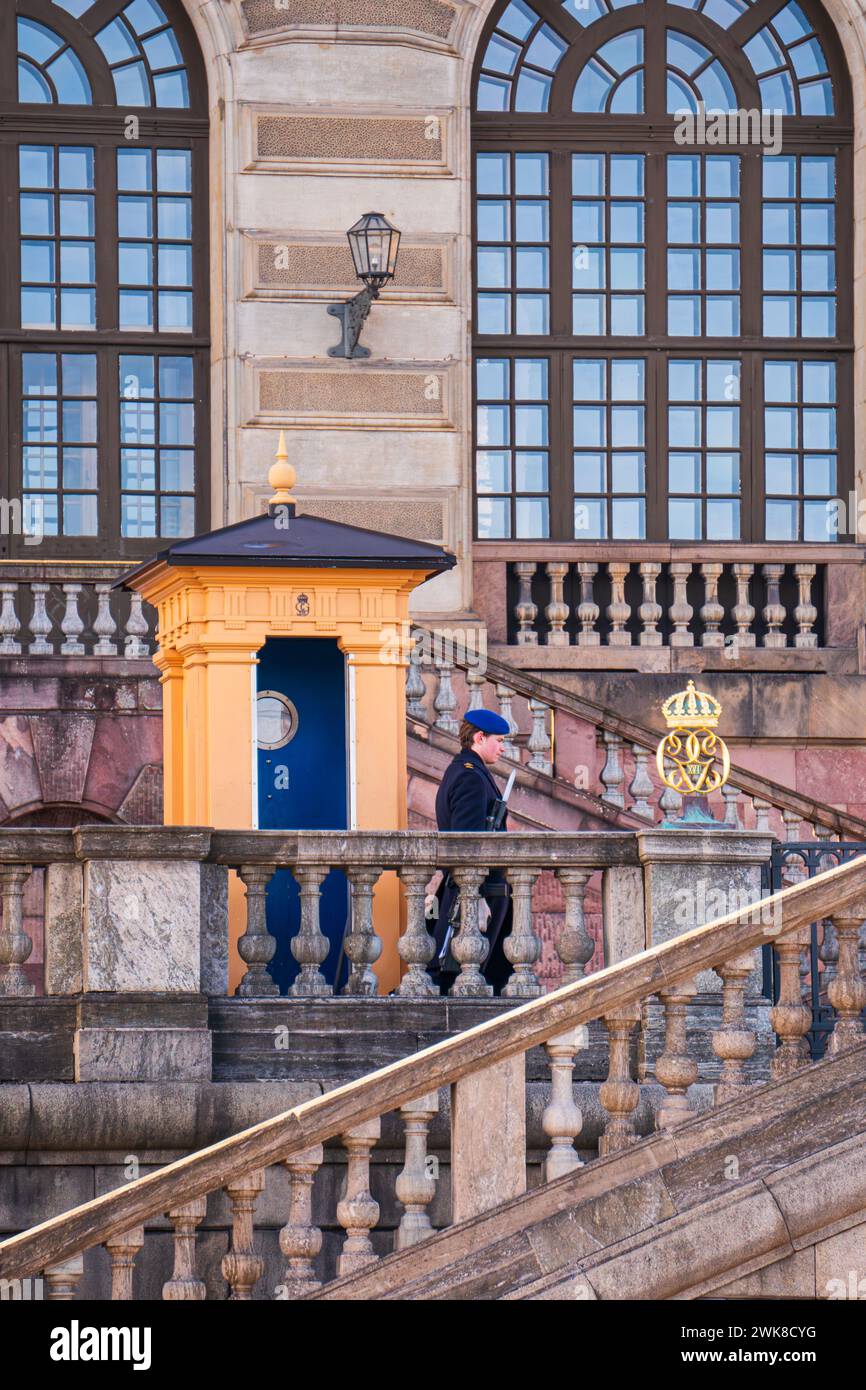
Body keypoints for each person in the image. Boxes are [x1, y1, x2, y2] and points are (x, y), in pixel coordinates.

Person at [428, 707, 513, 995]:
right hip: (478, 891)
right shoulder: (469, 777)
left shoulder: (470, 772)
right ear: (480, 737)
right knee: (459, 973)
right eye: (499, 741)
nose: (502, 748)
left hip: (482, 889)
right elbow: (465, 845)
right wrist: (474, 895)